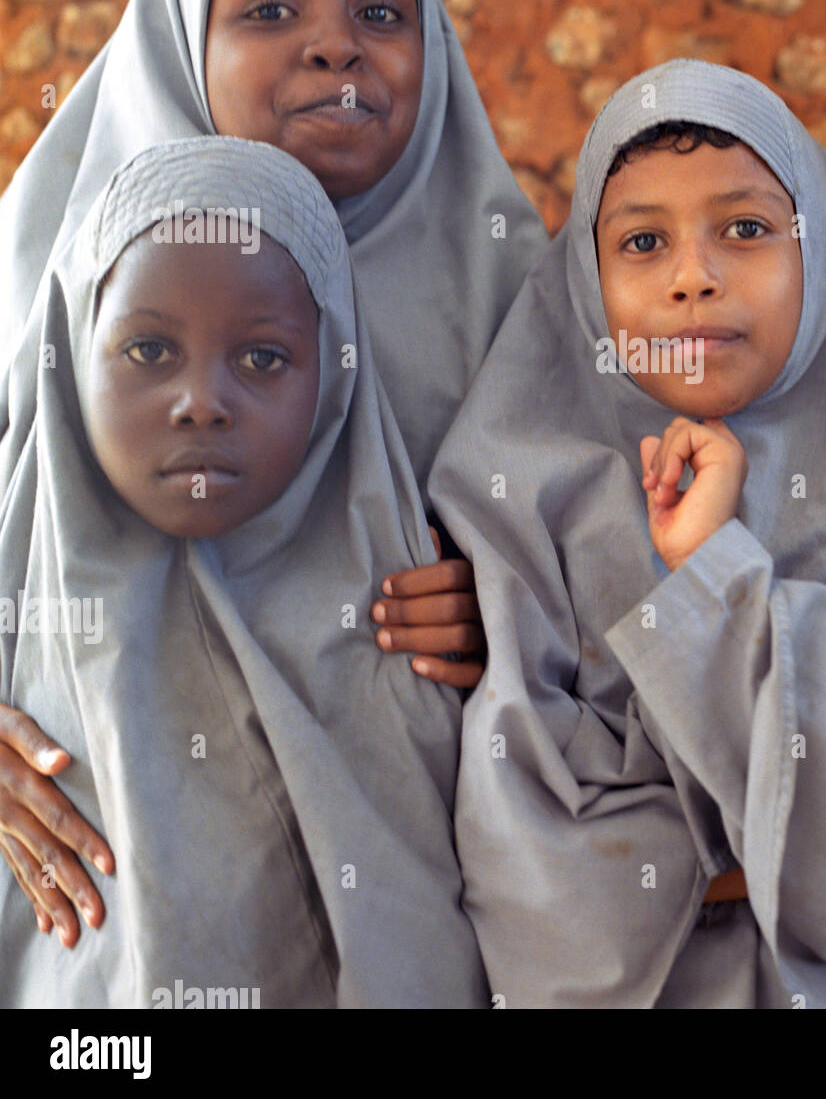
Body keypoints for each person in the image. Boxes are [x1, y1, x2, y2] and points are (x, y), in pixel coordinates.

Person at [0, 0, 548, 946]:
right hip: (100, 919)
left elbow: (622, 580)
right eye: (268, 5)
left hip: (419, 914)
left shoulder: (524, 306)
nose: (335, 42)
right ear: (175, 38)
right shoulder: (43, 285)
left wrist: (522, 625)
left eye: (382, 9)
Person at [428, 59, 826, 1007]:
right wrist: (744, 841)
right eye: (642, 241)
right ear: (585, 280)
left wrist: (712, 570)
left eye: (747, 229)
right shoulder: (515, 493)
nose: (694, 276)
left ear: (825, 253)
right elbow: (513, 819)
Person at [0, 136, 487, 1006]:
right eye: (148, 352)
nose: (201, 401)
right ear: (74, 354)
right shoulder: (20, 580)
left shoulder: (424, 609)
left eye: (263, 358)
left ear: (335, 384)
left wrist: (515, 645)